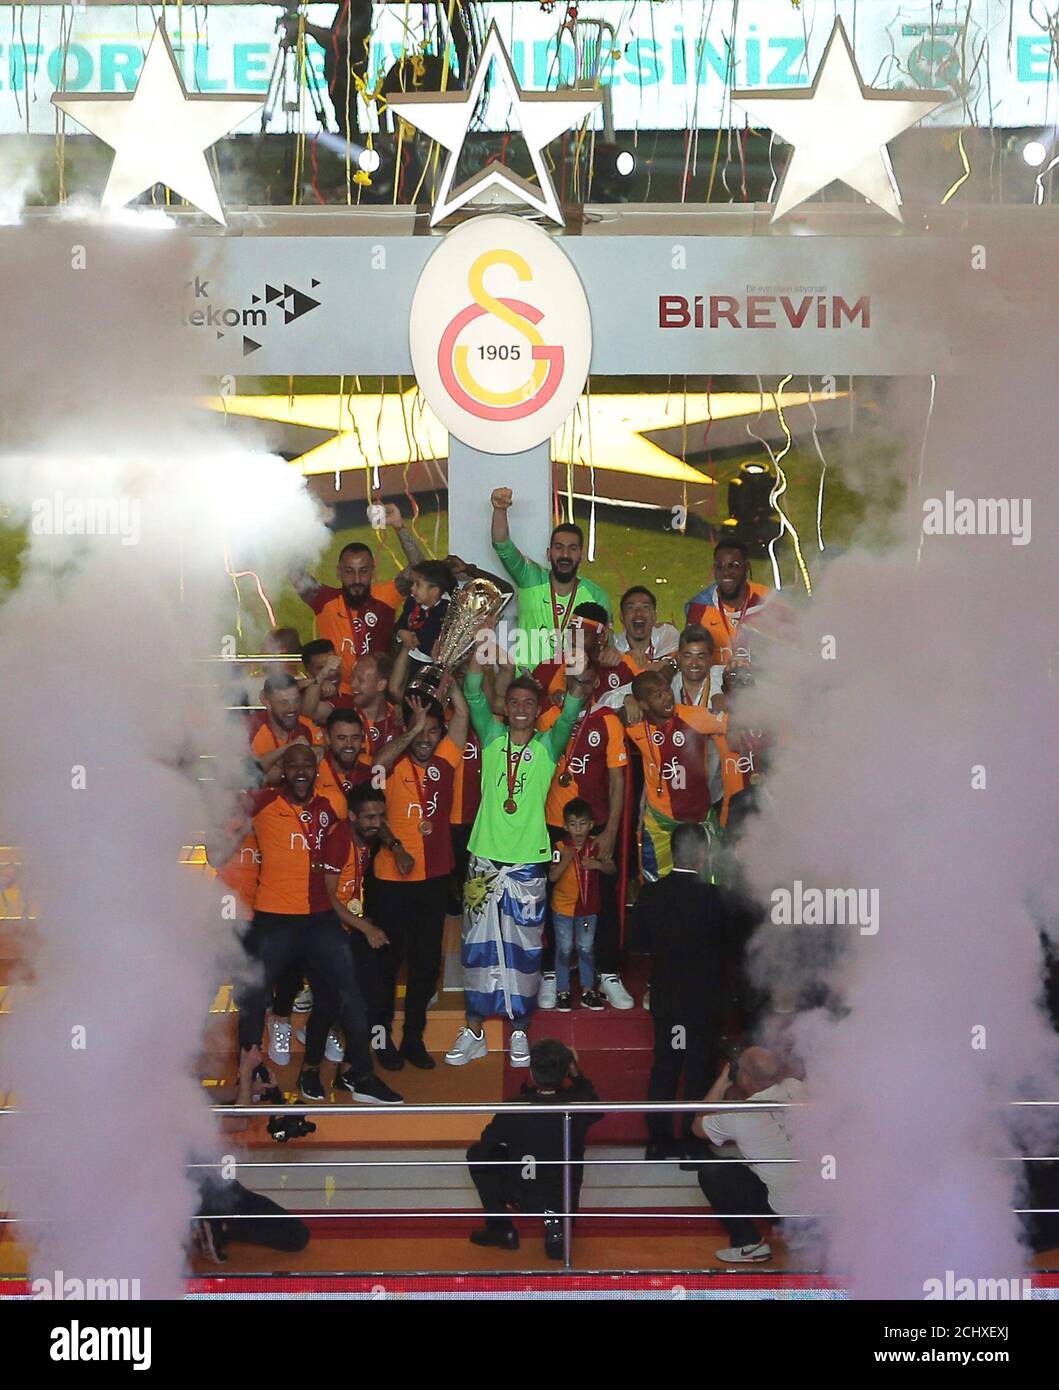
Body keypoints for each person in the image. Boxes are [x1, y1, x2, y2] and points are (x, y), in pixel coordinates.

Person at [230, 743, 402, 1108]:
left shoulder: (328, 808)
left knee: (349, 993)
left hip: (320, 917)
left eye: (307, 765)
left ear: (316, 769)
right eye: (293, 766)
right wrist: (284, 753)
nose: (301, 771)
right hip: (274, 918)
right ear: (283, 771)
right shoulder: (263, 802)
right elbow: (243, 773)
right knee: (255, 994)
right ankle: (249, 1073)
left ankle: (362, 1076)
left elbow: (366, 817)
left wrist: (395, 844)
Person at [445, 652, 584, 1069]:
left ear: (538, 710)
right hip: (483, 861)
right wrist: (479, 640)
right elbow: (472, 690)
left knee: (524, 950)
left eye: (529, 703)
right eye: (515, 702)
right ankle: (474, 1031)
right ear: (505, 705)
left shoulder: (548, 746)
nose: (521, 709)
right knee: (477, 949)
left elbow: (575, 702)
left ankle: (520, 1030)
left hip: (527, 866)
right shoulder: (490, 735)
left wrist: (581, 658)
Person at [362, 688, 470, 1070]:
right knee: (387, 964)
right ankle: (382, 1039)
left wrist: (451, 681)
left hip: (434, 877)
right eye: (419, 732)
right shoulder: (390, 768)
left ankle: (412, 1038)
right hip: (391, 879)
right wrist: (396, 847)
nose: (426, 740)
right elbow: (377, 762)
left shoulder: (444, 763)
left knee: (426, 964)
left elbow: (461, 719)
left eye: (432, 733)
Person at [630, 823, 733, 1160]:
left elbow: (639, 944)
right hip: (702, 1004)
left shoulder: (652, 894)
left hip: (668, 1002)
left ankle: (658, 1142)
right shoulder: (714, 898)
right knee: (698, 1070)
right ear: (703, 854)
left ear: (671, 853)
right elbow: (731, 947)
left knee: (665, 1067)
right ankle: (692, 1144)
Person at [537, 666, 633, 1010]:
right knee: (551, 900)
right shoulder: (549, 716)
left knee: (602, 901)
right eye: (573, 679)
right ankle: (550, 974)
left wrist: (610, 831)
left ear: (594, 683)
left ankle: (607, 974)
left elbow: (617, 782)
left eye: (587, 679)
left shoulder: (607, 720)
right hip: (553, 825)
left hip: (596, 826)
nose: (580, 684)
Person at [466, 1039, 601, 1257]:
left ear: (531, 1072)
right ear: (567, 1071)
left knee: (476, 1153)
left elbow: (485, 1142)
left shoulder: (516, 1106)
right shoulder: (579, 1105)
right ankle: (556, 1225)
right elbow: (597, 1108)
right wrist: (577, 1073)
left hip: (521, 1192)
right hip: (562, 1197)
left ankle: (501, 1229)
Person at [290, 503, 423, 691]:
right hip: (337, 695)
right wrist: (305, 528)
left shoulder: (386, 595)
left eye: (364, 571)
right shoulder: (324, 600)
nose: (357, 579)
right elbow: (296, 574)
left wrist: (399, 526)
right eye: (349, 572)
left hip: (379, 695)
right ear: (339, 573)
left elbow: (421, 570)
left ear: (373, 572)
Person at [691, 1047, 806, 1264]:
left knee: (713, 1171)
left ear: (743, 1077)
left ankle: (748, 1245)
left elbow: (697, 1126)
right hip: (827, 1210)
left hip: (787, 1214)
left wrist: (722, 1082)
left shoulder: (739, 1114)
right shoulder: (797, 1087)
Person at [623, 670, 727, 881]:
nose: (668, 697)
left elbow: (732, 721)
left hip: (698, 818)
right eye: (658, 695)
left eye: (667, 690)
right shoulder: (635, 725)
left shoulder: (693, 716)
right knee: (657, 885)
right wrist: (626, 699)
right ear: (643, 704)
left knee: (707, 883)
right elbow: (606, 706)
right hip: (661, 824)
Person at [489, 488, 611, 662]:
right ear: (548, 553)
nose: (565, 555)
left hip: (572, 685)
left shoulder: (597, 596)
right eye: (559, 547)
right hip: (527, 684)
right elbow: (502, 545)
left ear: (581, 555)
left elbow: (606, 643)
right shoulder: (530, 578)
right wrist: (499, 510)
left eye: (572, 549)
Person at [547, 798, 614, 1010]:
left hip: (588, 908)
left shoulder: (596, 845)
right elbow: (552, 877)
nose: (578, 829)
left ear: (591, 825)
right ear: (565, 826)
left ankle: (588, 991)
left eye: (583, 823)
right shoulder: (559, 846)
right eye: (573, 824)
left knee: (585, 948)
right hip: (562, 909)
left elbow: (613, 869)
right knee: (564, 949)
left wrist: (597, 865)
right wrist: (567, 859)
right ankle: (563, 991)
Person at [684, 540, 770, 671]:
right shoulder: (699, 609)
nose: (726, 572)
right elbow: (690, 662)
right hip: (716, 686)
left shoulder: (769, 601)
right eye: (720, 566)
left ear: (747, 567)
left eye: (733, 566)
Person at [593, 586, 680, 712]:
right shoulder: (614, 650)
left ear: (655, 616)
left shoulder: (669, 635)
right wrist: (627, 659)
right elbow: (600, 699)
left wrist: (667, 663)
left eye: (645, 607)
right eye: (631, 608)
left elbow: (681, 660)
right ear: (621, 617)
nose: (638, 613)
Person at [249, 672, 321, 780]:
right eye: (284, 702)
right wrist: (288, 748)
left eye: (296, 700)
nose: (292, 708)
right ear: (267, 702)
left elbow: (321, 756)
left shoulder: (308, 727)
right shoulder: (249, 728)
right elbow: (246, 774)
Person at [395, 559, 453, 667]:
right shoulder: (412, 601)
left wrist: (413, 638)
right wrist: (401, 632)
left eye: (418, 585)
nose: (412, 588)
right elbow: (400, 623)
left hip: (429, 664)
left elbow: (431, 641)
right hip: (406, 655)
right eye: (413, 583)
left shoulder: (445, 612)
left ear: (434, 591)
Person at [349, 651, 402, 764]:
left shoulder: (398, 719)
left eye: (360, 680)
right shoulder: (345, 715)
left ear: (381, 685)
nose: (353, 684)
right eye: (353, 677)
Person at [670, 625, 717, 708]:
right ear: (678, 657)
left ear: (710, 659)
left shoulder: (724, 682)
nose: (694, 664)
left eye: (701, 657)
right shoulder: (669, 686)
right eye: (688, 656)